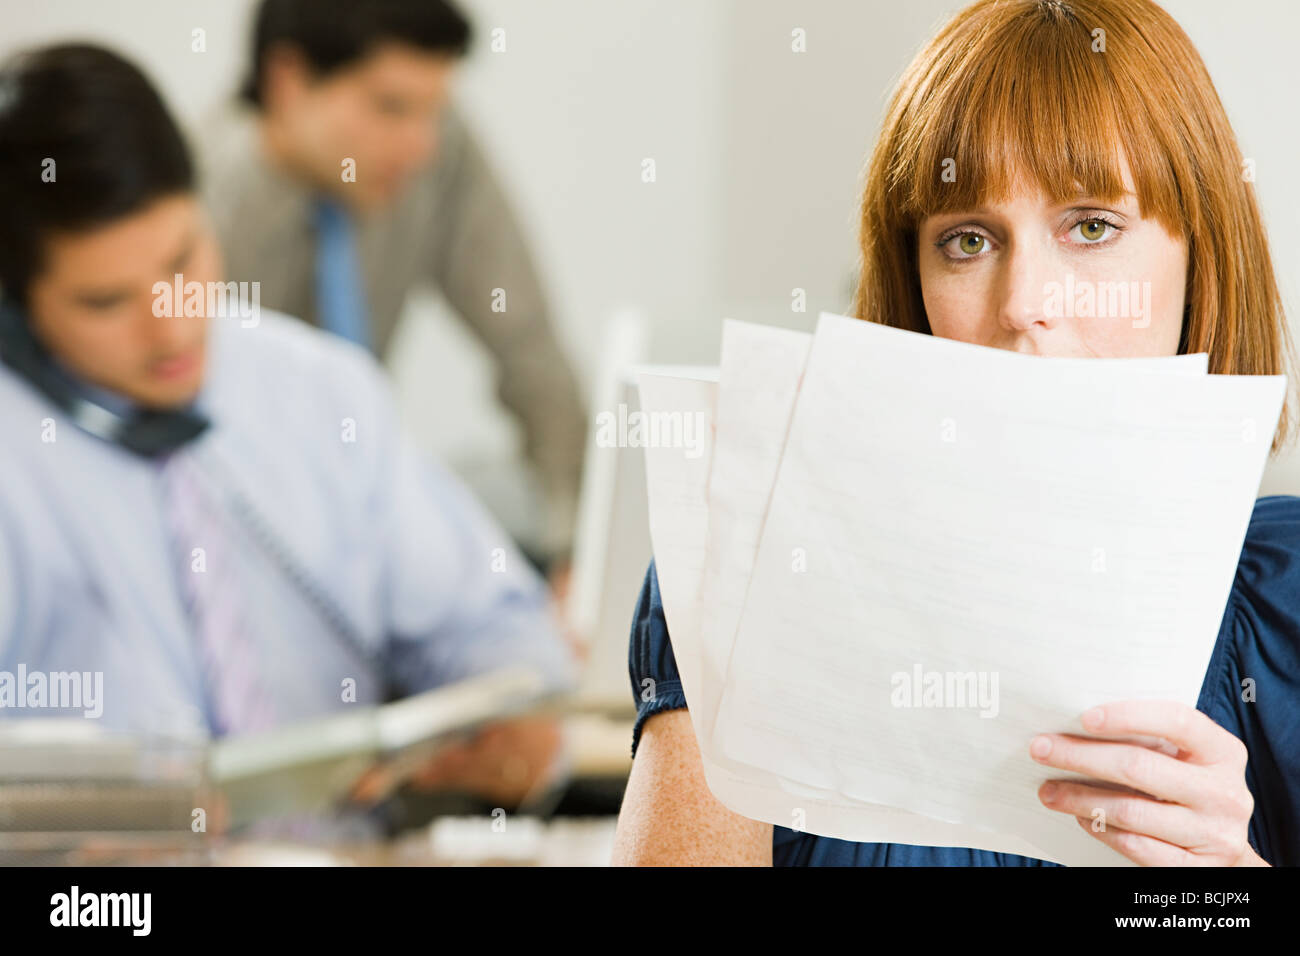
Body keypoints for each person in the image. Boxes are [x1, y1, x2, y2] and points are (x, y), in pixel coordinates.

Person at [613, 0, 1299, 866]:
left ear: (1203, 254)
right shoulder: (751, 562)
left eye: (1093, 227)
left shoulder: (1286, 598)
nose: (1023, 306)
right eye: (968, 240)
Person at [0, 43, 577, 822]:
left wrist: (516, 730)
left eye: (182, 262)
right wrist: (69, 822)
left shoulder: (317, 391)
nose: (171, 329)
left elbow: (496, 629)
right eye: (106, 301)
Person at [197, 0, 587, 581]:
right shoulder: (198, 209)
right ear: (288, 80)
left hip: (371, 536)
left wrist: (571, 549)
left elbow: (529, 346)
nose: (420, 144)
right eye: (391, 106)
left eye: (434, 109)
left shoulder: (434, 150)